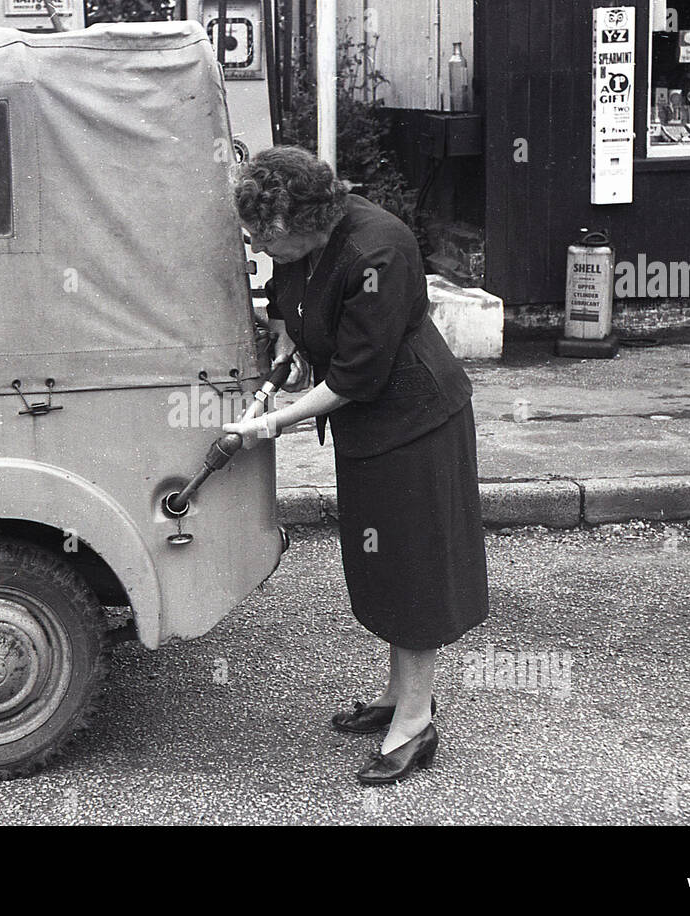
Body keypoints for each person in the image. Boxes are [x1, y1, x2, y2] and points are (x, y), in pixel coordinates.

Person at [223, 146, 490, 786]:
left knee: (414, 569)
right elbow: (289, 296)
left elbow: (355, 376)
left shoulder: (380, 248)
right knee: (380, 563)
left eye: (265, 236)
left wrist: (270, 423)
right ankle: (400, 695)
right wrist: (287, 338)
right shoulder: (306, 244)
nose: (258, 247)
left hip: (414, 422)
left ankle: (417, 724)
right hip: (369, 431)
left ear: (305, 219)